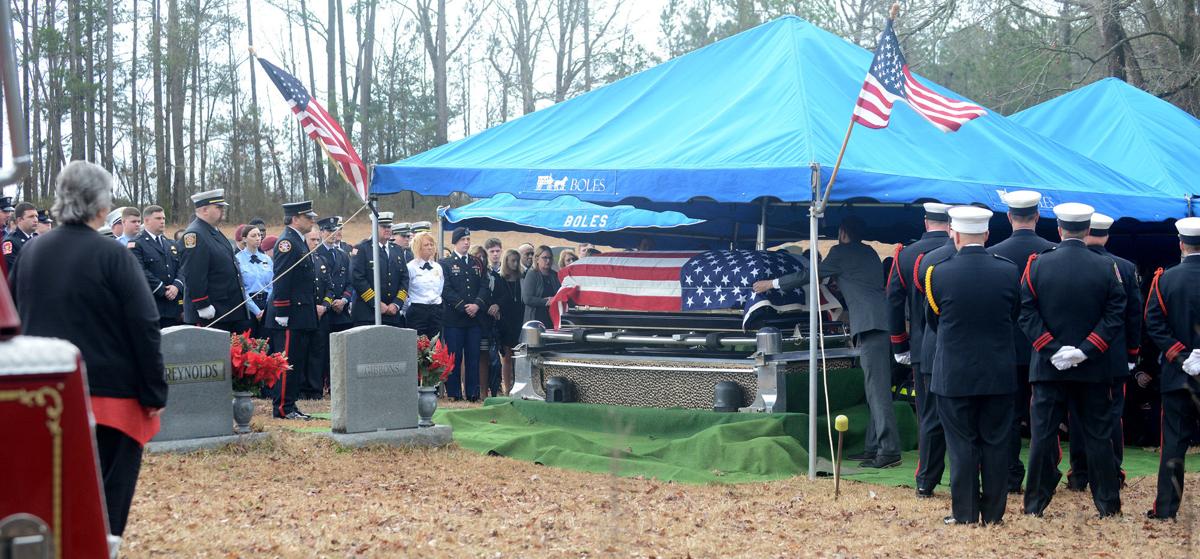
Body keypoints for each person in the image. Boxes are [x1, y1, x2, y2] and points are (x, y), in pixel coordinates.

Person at [9, 161, 167, 545]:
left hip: (45, 399)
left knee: (54, 504)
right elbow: (145, 324)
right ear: (100, 206)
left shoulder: (31, 253)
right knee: (105, 512)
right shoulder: (114, 255)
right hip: (110, 399)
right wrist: (154, 391)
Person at [755, 216, 900, 469]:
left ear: (843, 232)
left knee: (876, 392)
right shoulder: (869, 253)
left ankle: (889, 451)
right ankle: (873, 446)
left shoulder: (841, 252)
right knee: (875, 390)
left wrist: (772, 283)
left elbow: (809, 274)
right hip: (882, 322)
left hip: (870, 324)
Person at [1020, 202, 1125, 518]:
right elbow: (1116, 313)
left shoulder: (1037, 264)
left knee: (1042, 438)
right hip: (1092, 368)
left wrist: (1052, 349)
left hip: (1048, 369)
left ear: (1059, 229)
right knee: (1098, 438)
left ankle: (1034, 506)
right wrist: (1085, 350)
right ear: (1088, 229)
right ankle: (1108, 505)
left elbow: (1026, 312)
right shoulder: (1106, 267)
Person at [923, 206, 1020, 525]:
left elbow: (933, 320)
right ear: (987, 234)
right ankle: (993, 514)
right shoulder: (1008, 271)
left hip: (954, 373)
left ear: (955, 233)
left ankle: (964, 513)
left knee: (961, 445)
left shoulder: (937, 272)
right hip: (998, 372)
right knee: (996, 443)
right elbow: (1013, 314)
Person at [986, 190, 1056, 494]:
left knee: (1009, 417)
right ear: (1037, 217)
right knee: (1045, 416)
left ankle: (1012, 476)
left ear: (1009, 217)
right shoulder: (1054, 253)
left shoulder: (992, 254)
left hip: (1006, 349)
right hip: (1045, 347)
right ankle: (1046, 475)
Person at [1067, 212, 1142, 491]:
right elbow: (1133, 315)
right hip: (1112, 357)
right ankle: (1111, 471)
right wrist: (1132, 354)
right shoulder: (1123, 266)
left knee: (1077, 416)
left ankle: (1080, 473)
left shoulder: (1070, 264)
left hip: (1077, 355)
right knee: (1110, 416)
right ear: (1106, 235)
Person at [885, 202, 951, 495]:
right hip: (958, 347)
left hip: (922, 348)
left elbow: (893, 302)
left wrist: (900, 343)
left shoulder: (905, 255)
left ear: (926, 222)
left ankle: (926, 480)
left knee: (929, 417)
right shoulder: (958, 253)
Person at [1144, 217, 1200, 520]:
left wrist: (1181, 356)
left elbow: (1154, 322)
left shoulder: (1165, 279)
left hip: (1178, 375)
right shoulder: (1163, 278)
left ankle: (1165, 509)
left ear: (1181, 243)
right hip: (1181, 371)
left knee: (1174, 445)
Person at [265, 200, 320, 419]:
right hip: (289, 314)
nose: (312, 221)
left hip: (300, 314)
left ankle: (290, 404)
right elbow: (282, 279)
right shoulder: (286, 242)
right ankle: (282, 408)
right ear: (295, 218)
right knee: (286, 363)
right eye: (308, 217)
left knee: (295, 362)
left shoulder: (298, 241)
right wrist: (282, 312)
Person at [178, 189, 251, 332]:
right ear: (204, 210)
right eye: (218, 207)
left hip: (227, 309)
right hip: (211, 312)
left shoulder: (212, 231)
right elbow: (194, 274)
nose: (222, 210)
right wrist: (202, 304)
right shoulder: (195, 234)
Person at [440, 227, 492, 400]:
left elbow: (485, 286)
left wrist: (477, 304)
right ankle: (454, 393)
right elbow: (446, 289)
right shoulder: (446, 263)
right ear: (455, 242)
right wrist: (463, 306)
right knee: (454, 357)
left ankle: (472, 393)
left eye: (468, 240)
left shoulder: (477, 262)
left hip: (474, 319)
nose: (466, 243)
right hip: (455, 319)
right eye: (463, 240)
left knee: (473, 357)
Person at [129, 205, 184, 328]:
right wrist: (162, 289)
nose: (162, 221)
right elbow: (139, 271)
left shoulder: (170, 243)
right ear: (147, 220)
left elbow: (182, 267)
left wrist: (177, 286)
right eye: (158, 218)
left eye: (163, 218)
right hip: (152, 305)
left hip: (174, 307)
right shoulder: (137, 244)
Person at [351, 212, 408, 327]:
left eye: (389, 226)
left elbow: (405, 279)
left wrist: (396, 304)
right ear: (374, 227)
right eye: (383, 226)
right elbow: (357, 279)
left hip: (392, 314)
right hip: (368, 314)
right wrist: (376, 303)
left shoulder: (397, 250)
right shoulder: (362, 249)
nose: (387, 229)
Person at [304, 226, 335, 399]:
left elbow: (330, 288)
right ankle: (303, 389)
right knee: (304, 352)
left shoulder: (321, 260)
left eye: (317, 240)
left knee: (318, 352)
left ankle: (316, 390)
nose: (316, 243)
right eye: (312, 240)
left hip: (321, 314)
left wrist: (324, 305)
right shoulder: (299, 260)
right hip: (305, 314)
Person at [315, 216, 354, 337]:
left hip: (341, 312)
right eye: (329, 231)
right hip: (323, 310)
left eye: (335, 230)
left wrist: (343, 300)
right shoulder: (316, 253)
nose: (333, 234)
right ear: (321, 232)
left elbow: (350, 282)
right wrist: (327, 304)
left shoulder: (342, 255)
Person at [234, 224, 273, 339]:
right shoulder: (237, 259)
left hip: (266, 303)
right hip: (248, 306)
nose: (258, 238)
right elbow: (241, 288)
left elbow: (272, 284)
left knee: (266, 343)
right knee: (249, 343)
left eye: (259, 235)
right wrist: (256, 311)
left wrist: (266, 308)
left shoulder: (266, 259)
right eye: (253, 235)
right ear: (245, 239)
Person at [406, 231, 444, 338]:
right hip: (418, 311)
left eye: (432, 244)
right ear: (418, 247)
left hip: (436, 310)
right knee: (418, 346)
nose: (430, 247)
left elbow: (440, 288)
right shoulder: (410, 267)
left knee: (435, 345)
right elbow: (406, 290)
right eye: (426, 245)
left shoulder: (437, 267)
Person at [497, 249, 525, 394]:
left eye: (516, 260)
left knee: (519, 356)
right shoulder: (500, 278)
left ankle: (519, 385)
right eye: (512, 261)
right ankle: (507, 387)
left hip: (519, 318)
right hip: (506, 320)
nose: (514, 264)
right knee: (507, 356)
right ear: (506, 261)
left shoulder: (522, 277)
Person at [522, 245, 560, 326]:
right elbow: (527, 299)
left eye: (550, 258)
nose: (548, 260)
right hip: (536, 319)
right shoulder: (532, 274)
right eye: (545, 258)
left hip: (552, 319)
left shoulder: (555, 275)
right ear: (537, 259)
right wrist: (547, 301)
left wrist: (555, 299)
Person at [3, 201, 37, 273]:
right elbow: (14, 271)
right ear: (19, 220)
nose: (35, 220)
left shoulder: (38, 238)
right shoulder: (10, 242)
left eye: (36, 216)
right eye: (31, 216)